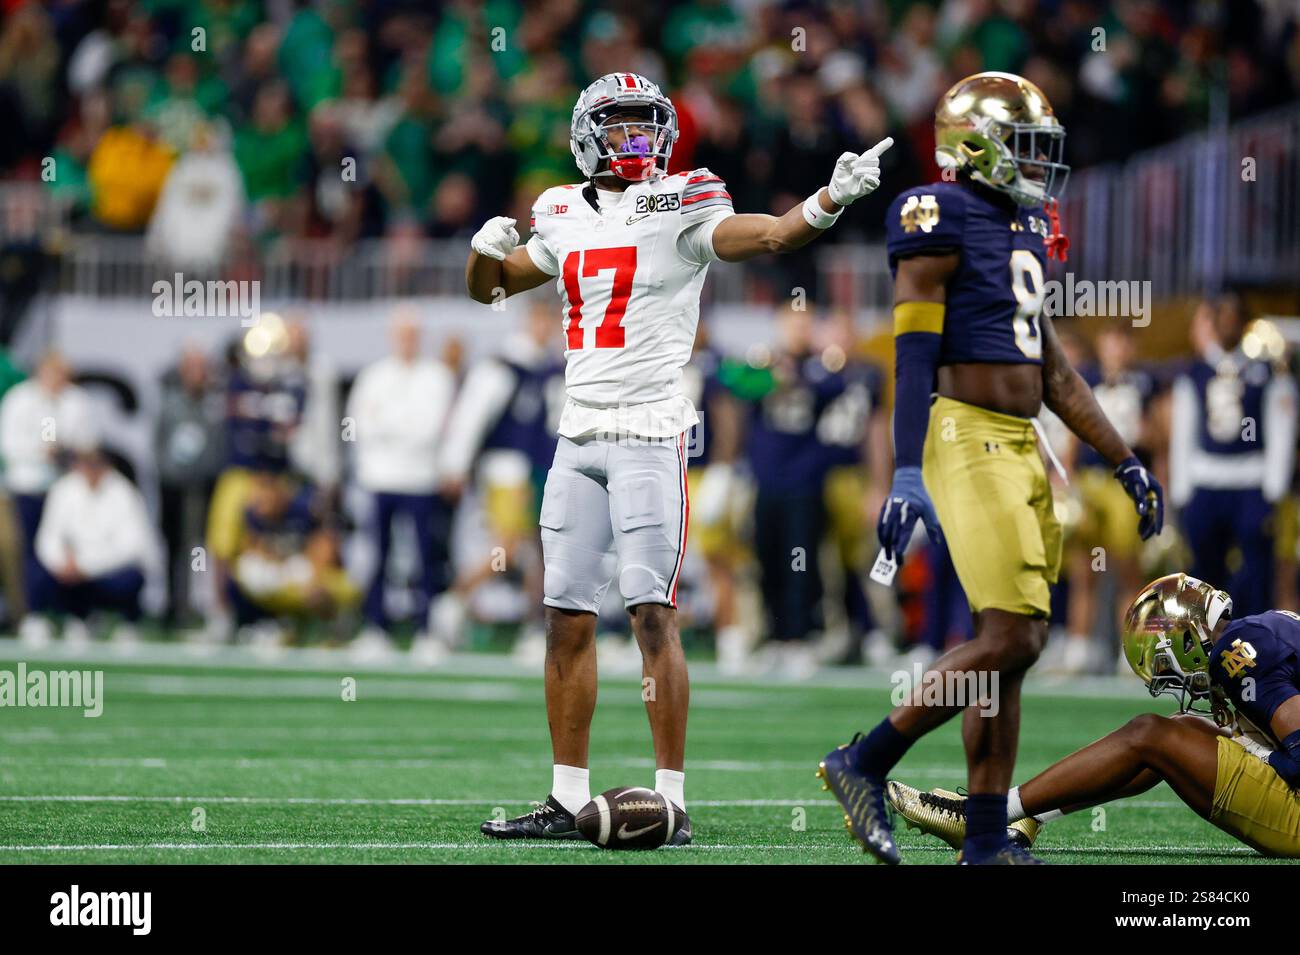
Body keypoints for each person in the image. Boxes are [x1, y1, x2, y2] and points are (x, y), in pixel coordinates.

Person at [466, 72, 892, 842]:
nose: (639, 140)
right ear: (588, 134)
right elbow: (491, 291)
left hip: (649, 431)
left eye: (646, 125)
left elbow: (769, 235)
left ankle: (672, 797)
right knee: (565, 618)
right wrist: (480, 251)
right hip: (577, 434)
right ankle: (566, 797)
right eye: (622, 127)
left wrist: (827, 201)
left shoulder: (684, 199)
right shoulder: (560, 210)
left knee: (651, 612)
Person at [818, 72, 1164, 865]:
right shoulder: (934, 214)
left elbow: (1056, 373)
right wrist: (907, 468)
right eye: (1025, 147)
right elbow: (910, 358)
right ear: (973, 144)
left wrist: (1125, 458)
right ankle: (863, 761)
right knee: (1010, 634)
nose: (1039, 164)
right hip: (965, 433)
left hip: (1019, 437)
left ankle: (982, 839)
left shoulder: (1027, 223)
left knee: (1015, 643)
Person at [887, 574, 1300, 860]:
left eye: (1165, 666)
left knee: (1150, 734)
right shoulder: (1267, 626)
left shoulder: (1238, 654)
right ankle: (1024, 814)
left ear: (1188, 642)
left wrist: (1258, 755)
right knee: (1177, 730)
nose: (1179, 682)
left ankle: (986, 814)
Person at [1170, 293, 1297, 616]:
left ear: (1243, 324)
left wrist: (1274, 485)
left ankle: (1252, 642)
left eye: (1233, 318)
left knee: (1256, 568)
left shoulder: (1265, 372)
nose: (1227, 324)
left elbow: (1281, 428)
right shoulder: (1195, 372)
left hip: (1251, 482)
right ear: (1213, 323)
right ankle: (1204, 644)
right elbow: (1183, 432)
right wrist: (1182, 488)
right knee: (1202, 572)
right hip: (1207, 480)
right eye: (1221, 318)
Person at [346, 312, 456, 660]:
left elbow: (430, 428)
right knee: (378, 555)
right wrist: (401, 426)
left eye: (412, 334)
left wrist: (391, 425)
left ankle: (426, 631)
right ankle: (376, 628)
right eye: (402, 334)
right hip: (379, 478)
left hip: (421, 479)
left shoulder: (437, 376)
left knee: (427, 557)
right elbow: (362, 423)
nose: (407, 340)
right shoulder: (374, 375)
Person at [0, 351, 96, 646]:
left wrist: (65, 451)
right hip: (27, 485)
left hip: (65, 489)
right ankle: (32, 613)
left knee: (69, 549)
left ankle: (73, 613)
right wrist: (40, 451)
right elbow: (8, 444)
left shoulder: (76, 401)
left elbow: (89, 443)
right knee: (29, 552)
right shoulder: (20, 399)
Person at [30, 442, 153, 647]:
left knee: (132, 578)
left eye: (96, 463)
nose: (90, 469)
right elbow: (48, 538)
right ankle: (52, 618)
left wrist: (87, 566)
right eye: (85, 463)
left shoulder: (124, 492)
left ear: (107, 465)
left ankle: (128, 623)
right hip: (71, 571)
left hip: (105, 571)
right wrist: (62, 563)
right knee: (39, 570)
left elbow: (133, 546)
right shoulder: (63, 490)